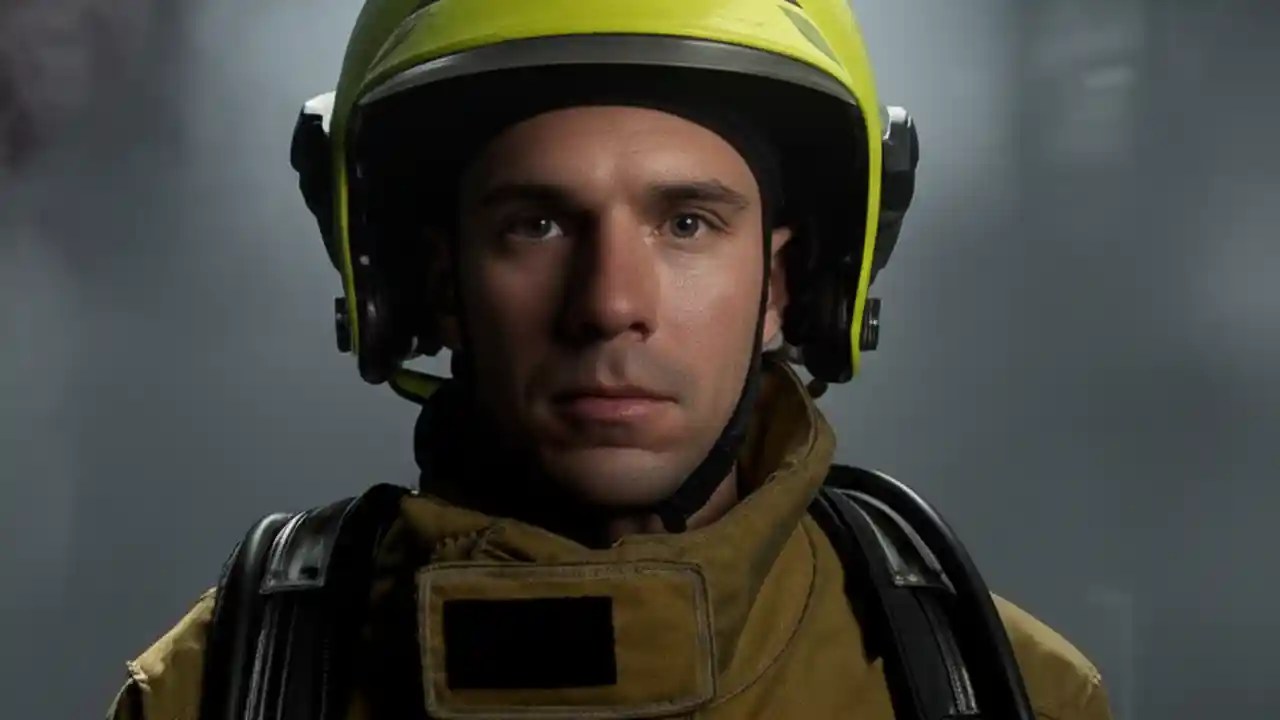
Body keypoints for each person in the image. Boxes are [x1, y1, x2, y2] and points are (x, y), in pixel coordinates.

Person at [108, 1, 1113, 718]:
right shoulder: (218, 689)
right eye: (536, 223)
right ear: (438, 287)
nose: (609, 306)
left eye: (684, 222)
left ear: (781, 290)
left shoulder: (1008, 689)